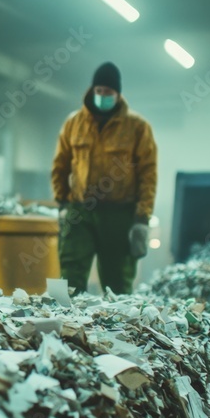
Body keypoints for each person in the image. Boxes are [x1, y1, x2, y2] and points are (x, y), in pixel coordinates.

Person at [51, 62, 157, 294]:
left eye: (108, 92)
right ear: (92, 90)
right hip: (80, 212)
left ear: (118, 94)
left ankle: (116, 329)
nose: (102, 96)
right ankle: (64, 327)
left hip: (119, 215)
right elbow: (60, 164)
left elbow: (148, 174)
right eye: (98, 91)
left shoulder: (137, 127)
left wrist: (142, 218)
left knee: (117, 283)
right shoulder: (74, 124)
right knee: (69, 279)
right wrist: (62, 203)